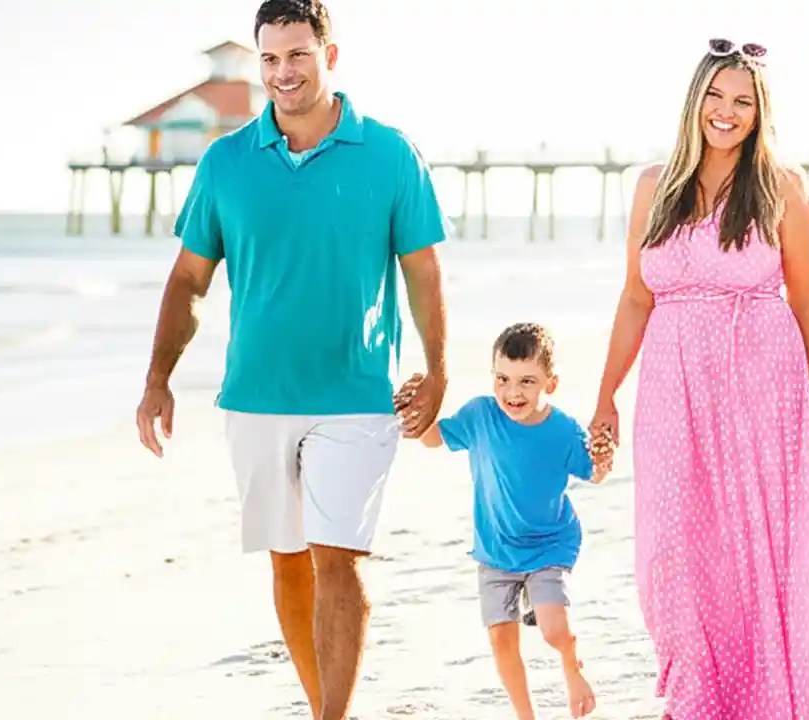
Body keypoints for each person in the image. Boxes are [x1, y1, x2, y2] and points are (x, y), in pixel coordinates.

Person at [133, 2, 451, 718]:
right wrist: (158, 379)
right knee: (288, 561)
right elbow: (189, 280)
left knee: (337, 556)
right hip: (255, 395)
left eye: (298, 55)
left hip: (357, 392)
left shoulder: (390, 153)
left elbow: (422, 271)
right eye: (270, 58)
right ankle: (321, 709)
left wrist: (438, 367)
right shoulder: (226, 162)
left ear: (329, 56)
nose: (283, 72)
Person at [591, 38, 809, 718]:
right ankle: (698, 696)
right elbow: (636, 297)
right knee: (677, 545)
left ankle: (766, 700)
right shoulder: (651, 185)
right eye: (716, 97)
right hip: (670, 387)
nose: (726, 113)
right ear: (695, 101)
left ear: (760, 113)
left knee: (756, 545)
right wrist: (605, 394)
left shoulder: (784, 186)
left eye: (743, 102)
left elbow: (806, 297)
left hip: (762, 384)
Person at [396, 323, 615, 719]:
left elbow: (594, 473)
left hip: (550, 543)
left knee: (553, 630)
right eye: (503, 379)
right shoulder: (480, 415)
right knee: (501, 637)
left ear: (551, 382)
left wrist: (603, 457)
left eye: (527, 382)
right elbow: (431, 438)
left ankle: (572, 666)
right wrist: (416, 410)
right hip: (496, 549)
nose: (513, 393)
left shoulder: (563, 429)